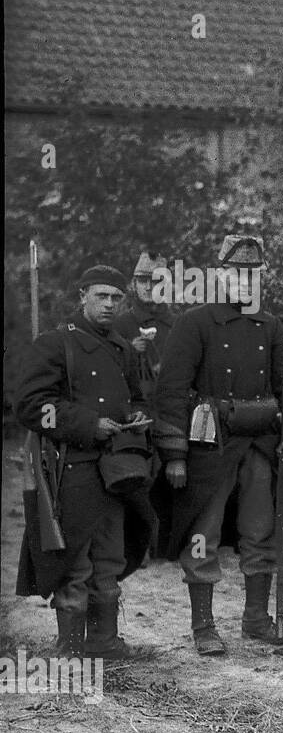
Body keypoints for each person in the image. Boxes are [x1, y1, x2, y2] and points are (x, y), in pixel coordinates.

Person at [152, 235, 283, 655]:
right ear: (219, 274)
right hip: (210, 446)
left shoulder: (271, 326)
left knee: (260, 531)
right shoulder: (195, 323)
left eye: (253, 274)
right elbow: (170, 392)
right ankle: (204, 627)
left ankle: (257, 620)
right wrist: (174, 454)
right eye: (236, 272)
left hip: (259, 445)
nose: (244, 281)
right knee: (202, 534)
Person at [14, 266, 156, 660]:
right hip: (69, 470)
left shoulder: (124, 349)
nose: (109, 304)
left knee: (109, 558)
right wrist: (90, 424)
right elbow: (31, 407)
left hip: (116, 471)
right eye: (101, 296)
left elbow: (137, 397)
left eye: (116, 297)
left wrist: (135, 418)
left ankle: (104, 641)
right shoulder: (56, 344)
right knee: (74, 561)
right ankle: (71, 647)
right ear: (82, 295)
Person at [112, 252, 178, 408]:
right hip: (134, 409)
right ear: (134, 285)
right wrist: (129, 350)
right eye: (143, 281)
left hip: (173, 409)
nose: (148, 287)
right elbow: (105, 372)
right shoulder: (120, 325)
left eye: (155, 282)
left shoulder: (178, 324)